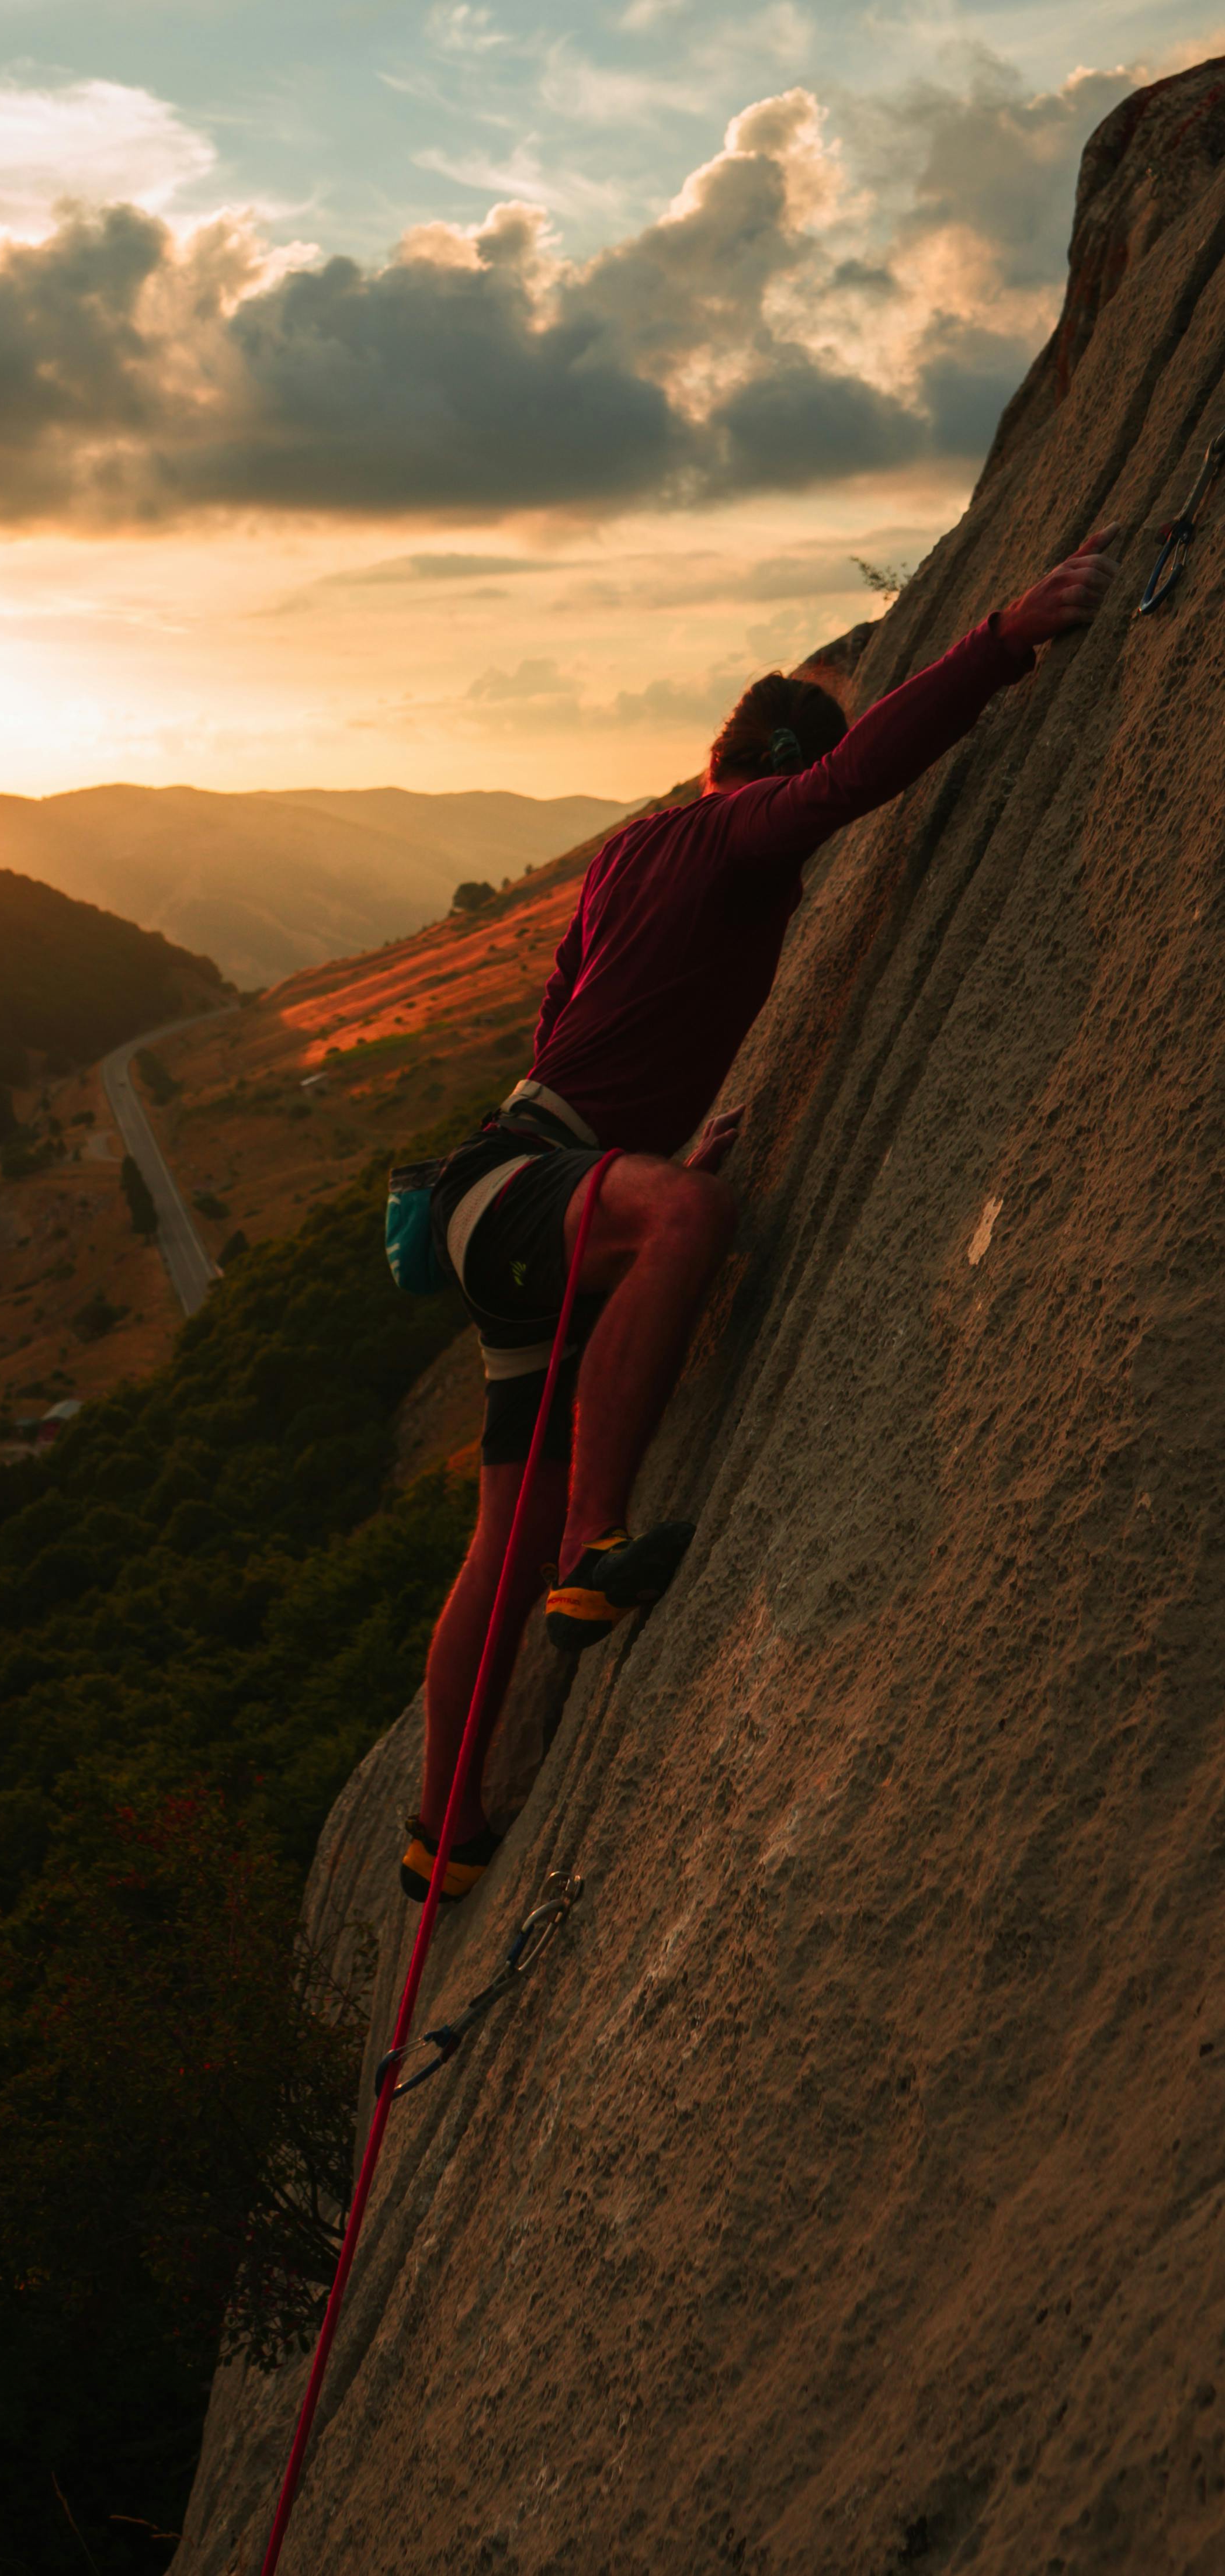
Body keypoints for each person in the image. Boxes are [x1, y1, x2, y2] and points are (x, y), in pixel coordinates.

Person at [400, 525, 1121, 1906]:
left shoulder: (627, 856)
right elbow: (847, 783)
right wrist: (998, 640)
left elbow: (567, 1016)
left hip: (506, 1187)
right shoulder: (733, 831)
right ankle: (595, 1547)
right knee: (684, 1224)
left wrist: (638, 1143)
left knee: (493, 1531)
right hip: (530, 1191)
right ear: (764, 777)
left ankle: (441, 1830)